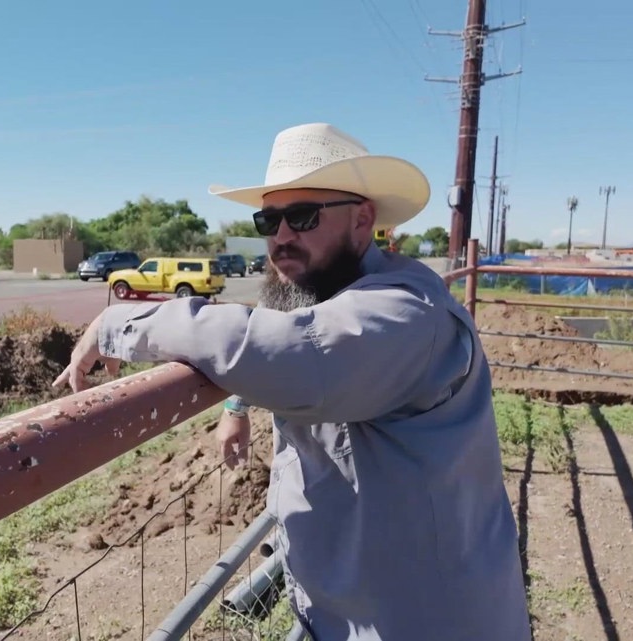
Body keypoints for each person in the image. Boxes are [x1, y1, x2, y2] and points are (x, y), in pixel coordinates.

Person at [54, 123, 532, 640]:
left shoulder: (404, 312)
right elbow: (281, 329)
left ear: (362, 219)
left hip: (423, 619)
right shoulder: (333, 293)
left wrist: (116, 323)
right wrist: (236, 408)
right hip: (365, 607)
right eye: (269, 219)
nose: (281, 237)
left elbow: (291, 350)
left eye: (303, 217)